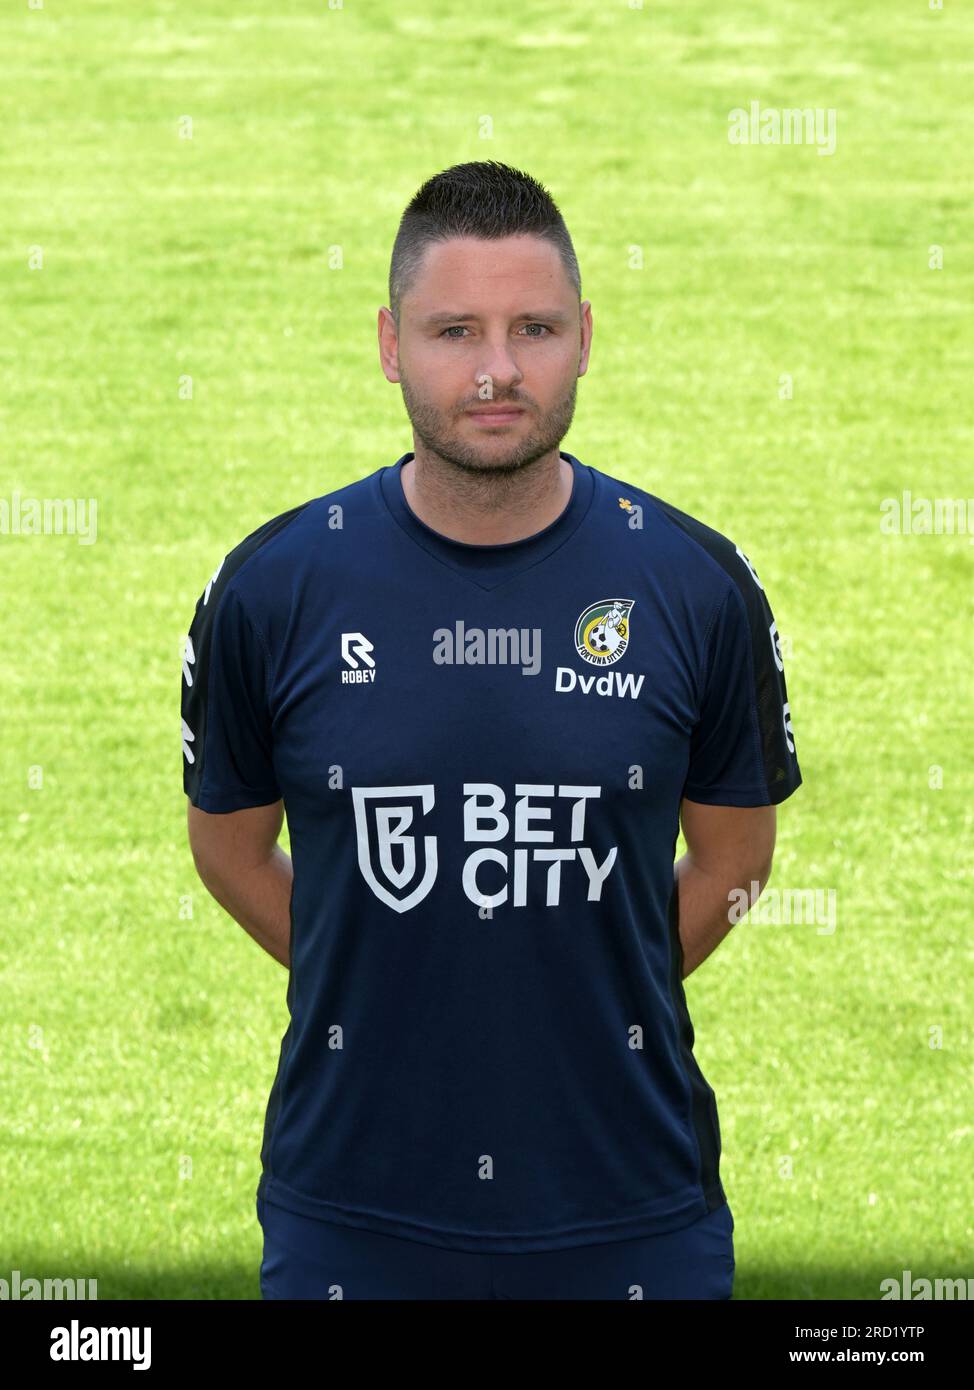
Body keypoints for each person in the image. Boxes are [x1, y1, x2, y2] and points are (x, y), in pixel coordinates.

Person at [181, 161, 802, 1300]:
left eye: (535, 327)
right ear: (388, 342)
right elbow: (225, 850)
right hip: (350, 1214)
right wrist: (382, 978)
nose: (496, 370)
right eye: (453, 330)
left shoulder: (694, 586)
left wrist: (581, 984)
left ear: (584, 338)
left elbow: (733, 861)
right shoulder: (272, 588)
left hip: (630, 1209)